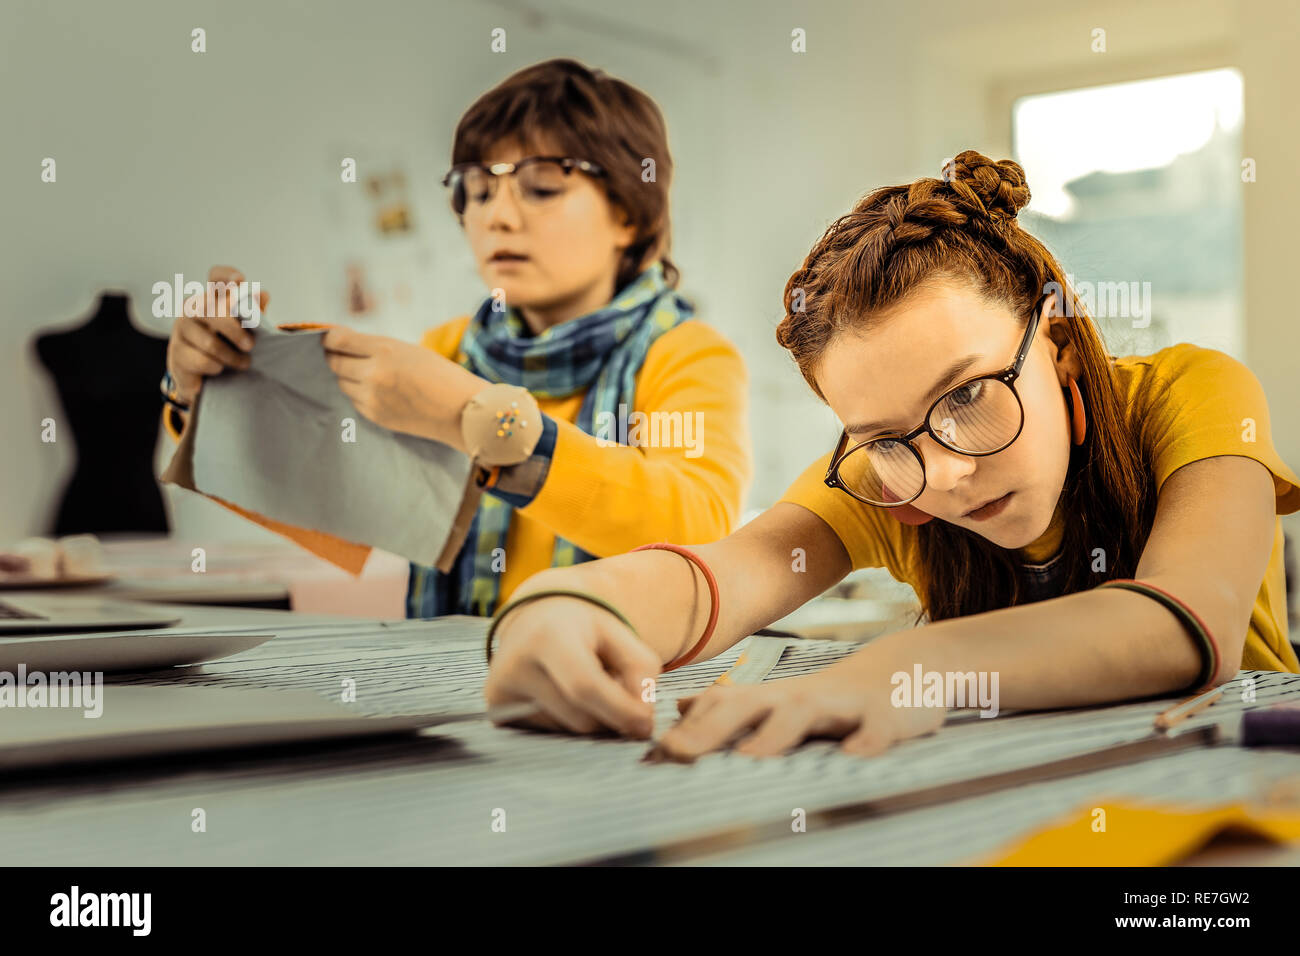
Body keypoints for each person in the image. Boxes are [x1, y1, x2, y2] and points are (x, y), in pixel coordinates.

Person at [482, 149, 1300, 760]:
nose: (940, 474)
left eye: (969, 396)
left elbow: (1187, 622)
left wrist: (906, 668)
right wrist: (566, 605)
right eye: (879, 439)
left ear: (1057, 349)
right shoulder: (887, 475)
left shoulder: (1194, 393)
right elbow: (716, 579)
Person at [159, 59, 752, 617]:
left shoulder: (686, 353)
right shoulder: (449, 349)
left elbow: (699, 529)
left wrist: (481, 421)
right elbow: (328, 491)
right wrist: (207, 388)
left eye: (542, 186)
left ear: (629, 213)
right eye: (478, 189)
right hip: (471, 690)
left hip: (642, 693)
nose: (498, 216)